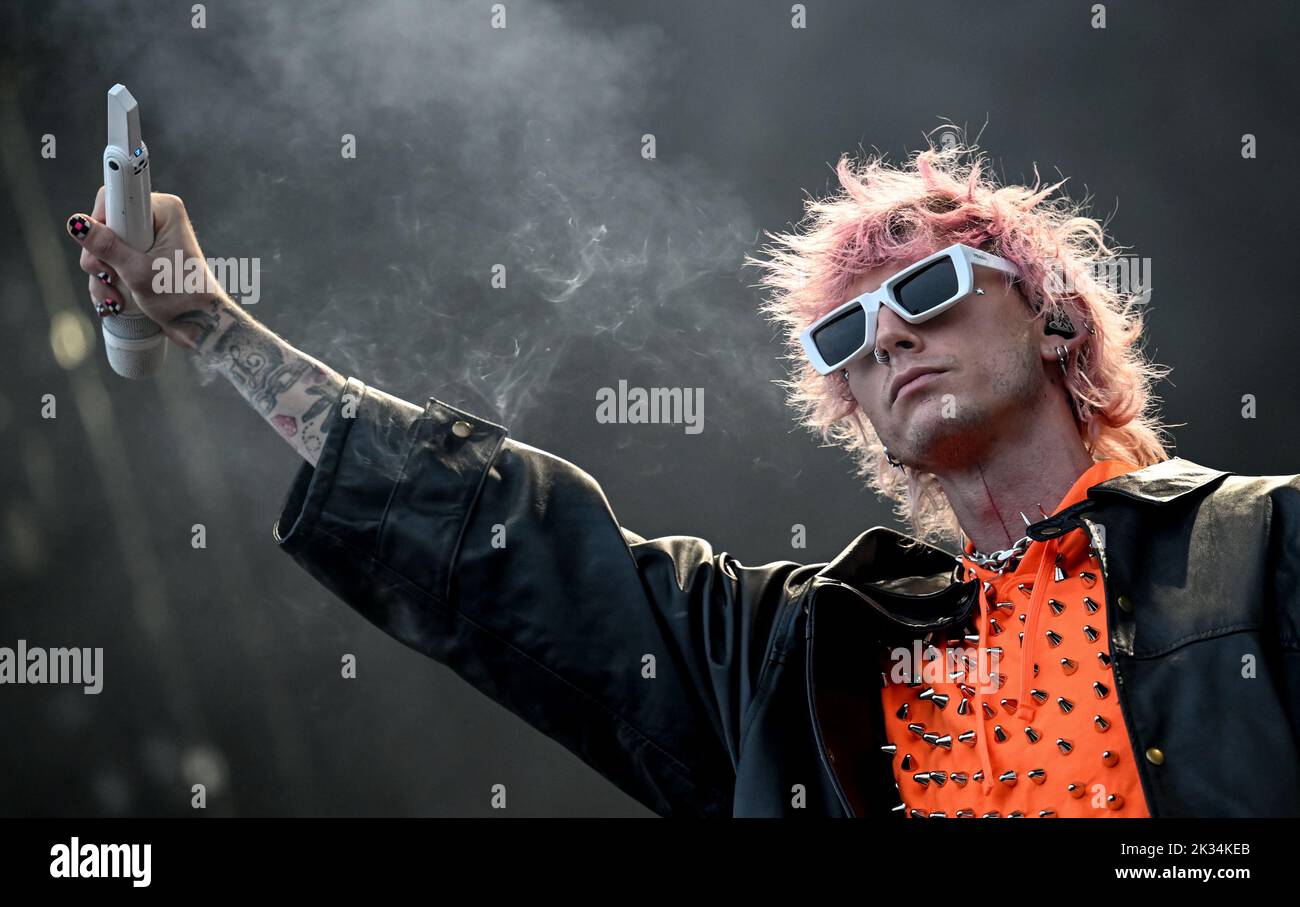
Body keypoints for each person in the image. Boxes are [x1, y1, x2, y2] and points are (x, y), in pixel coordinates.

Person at [64, 143, 1300, 818]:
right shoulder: (802, 660)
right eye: (844, 336)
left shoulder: (1265, 549)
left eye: (924, 289)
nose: (886, 336)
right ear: (859, 421)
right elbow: (520, 553)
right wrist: (214, 325)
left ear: (1055, 325)